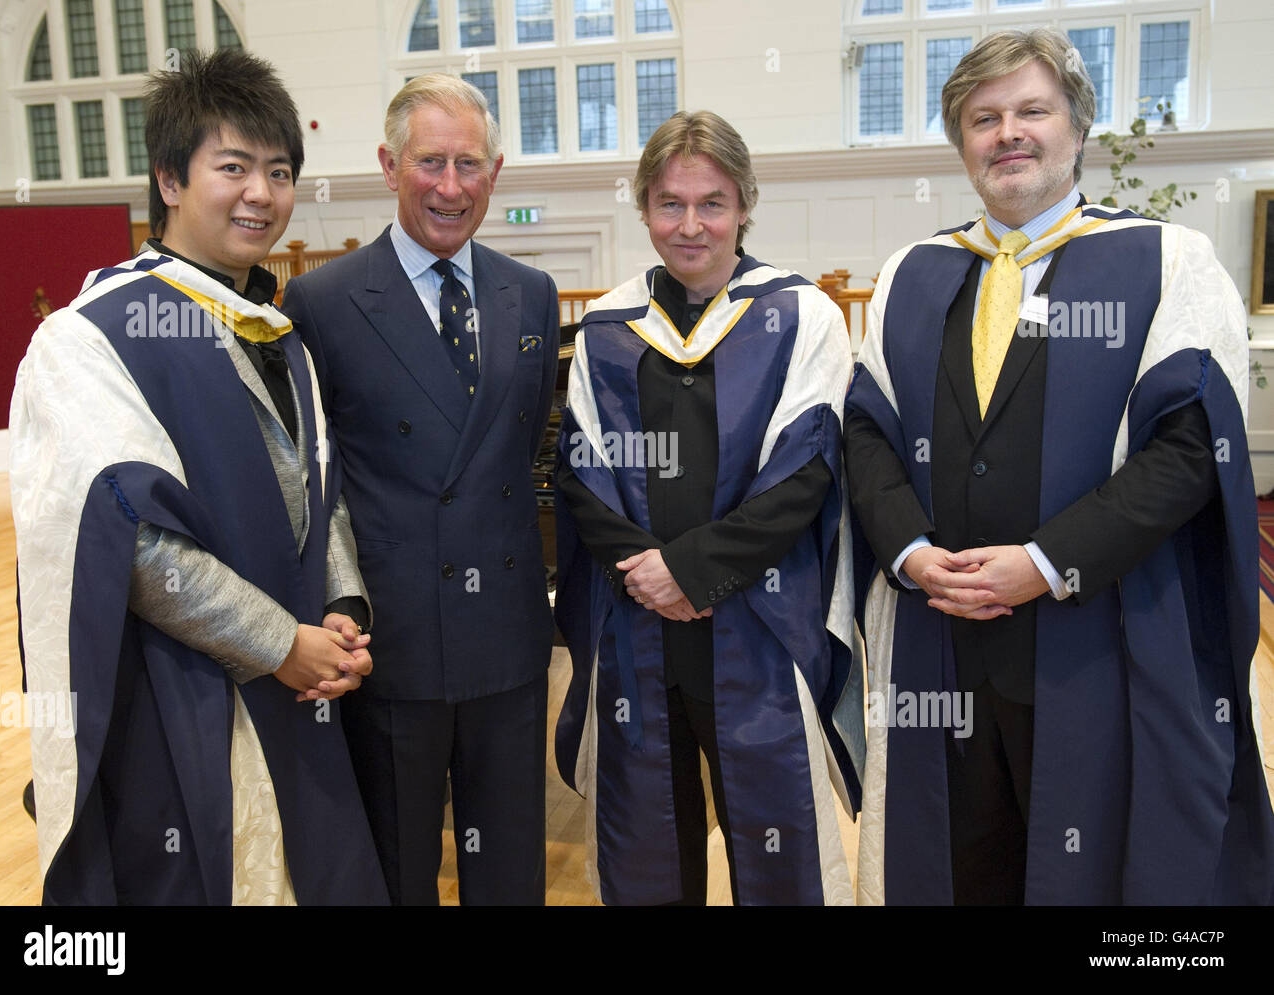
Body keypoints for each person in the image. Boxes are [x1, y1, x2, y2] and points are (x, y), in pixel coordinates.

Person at [845, 27, 1274, 904]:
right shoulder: (912, 276)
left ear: (1077, 126)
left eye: (1031, 110)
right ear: (960, 142)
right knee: (961, 865)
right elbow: (865, 436)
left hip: (1097, 639)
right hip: (942, 639)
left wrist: (1045, 564)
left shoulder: (1165, 263)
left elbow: (1190, 451)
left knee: (1094, 867)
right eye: (983, 117)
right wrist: (910, 551)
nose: (1009, 133)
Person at [10, 48, 387, 904]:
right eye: (234, 167)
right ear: (171, 179)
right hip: (181, 699)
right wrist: (280, 642)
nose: (261, 192)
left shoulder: (274, 331)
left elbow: (318, 492)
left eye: (280, 171)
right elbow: (129, 540)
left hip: (301, 689)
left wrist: (343, 610)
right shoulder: (90, 337)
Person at [554, 111, 864, 906]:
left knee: (775, 838)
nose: (690, 225)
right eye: (669, 203)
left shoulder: (800, 316)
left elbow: (806, 471)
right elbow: (582, 471)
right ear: (645, 207)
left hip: (759, 621)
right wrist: (650, 576)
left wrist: (691, 571)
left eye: (713, 203)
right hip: (639, 622)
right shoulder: (609, 327)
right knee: (647, 837)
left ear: (746, 205)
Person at [283, 74, 559, 905]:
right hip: (389, 644)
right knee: (397, 870)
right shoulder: (321, 302)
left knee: (510, 872)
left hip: (508, 644)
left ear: (496, 172)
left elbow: (525, 461)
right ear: (388, 165)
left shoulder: (532, 294)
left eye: (468, 163)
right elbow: (311, 482)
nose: (450, 185)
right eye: (430, 162)